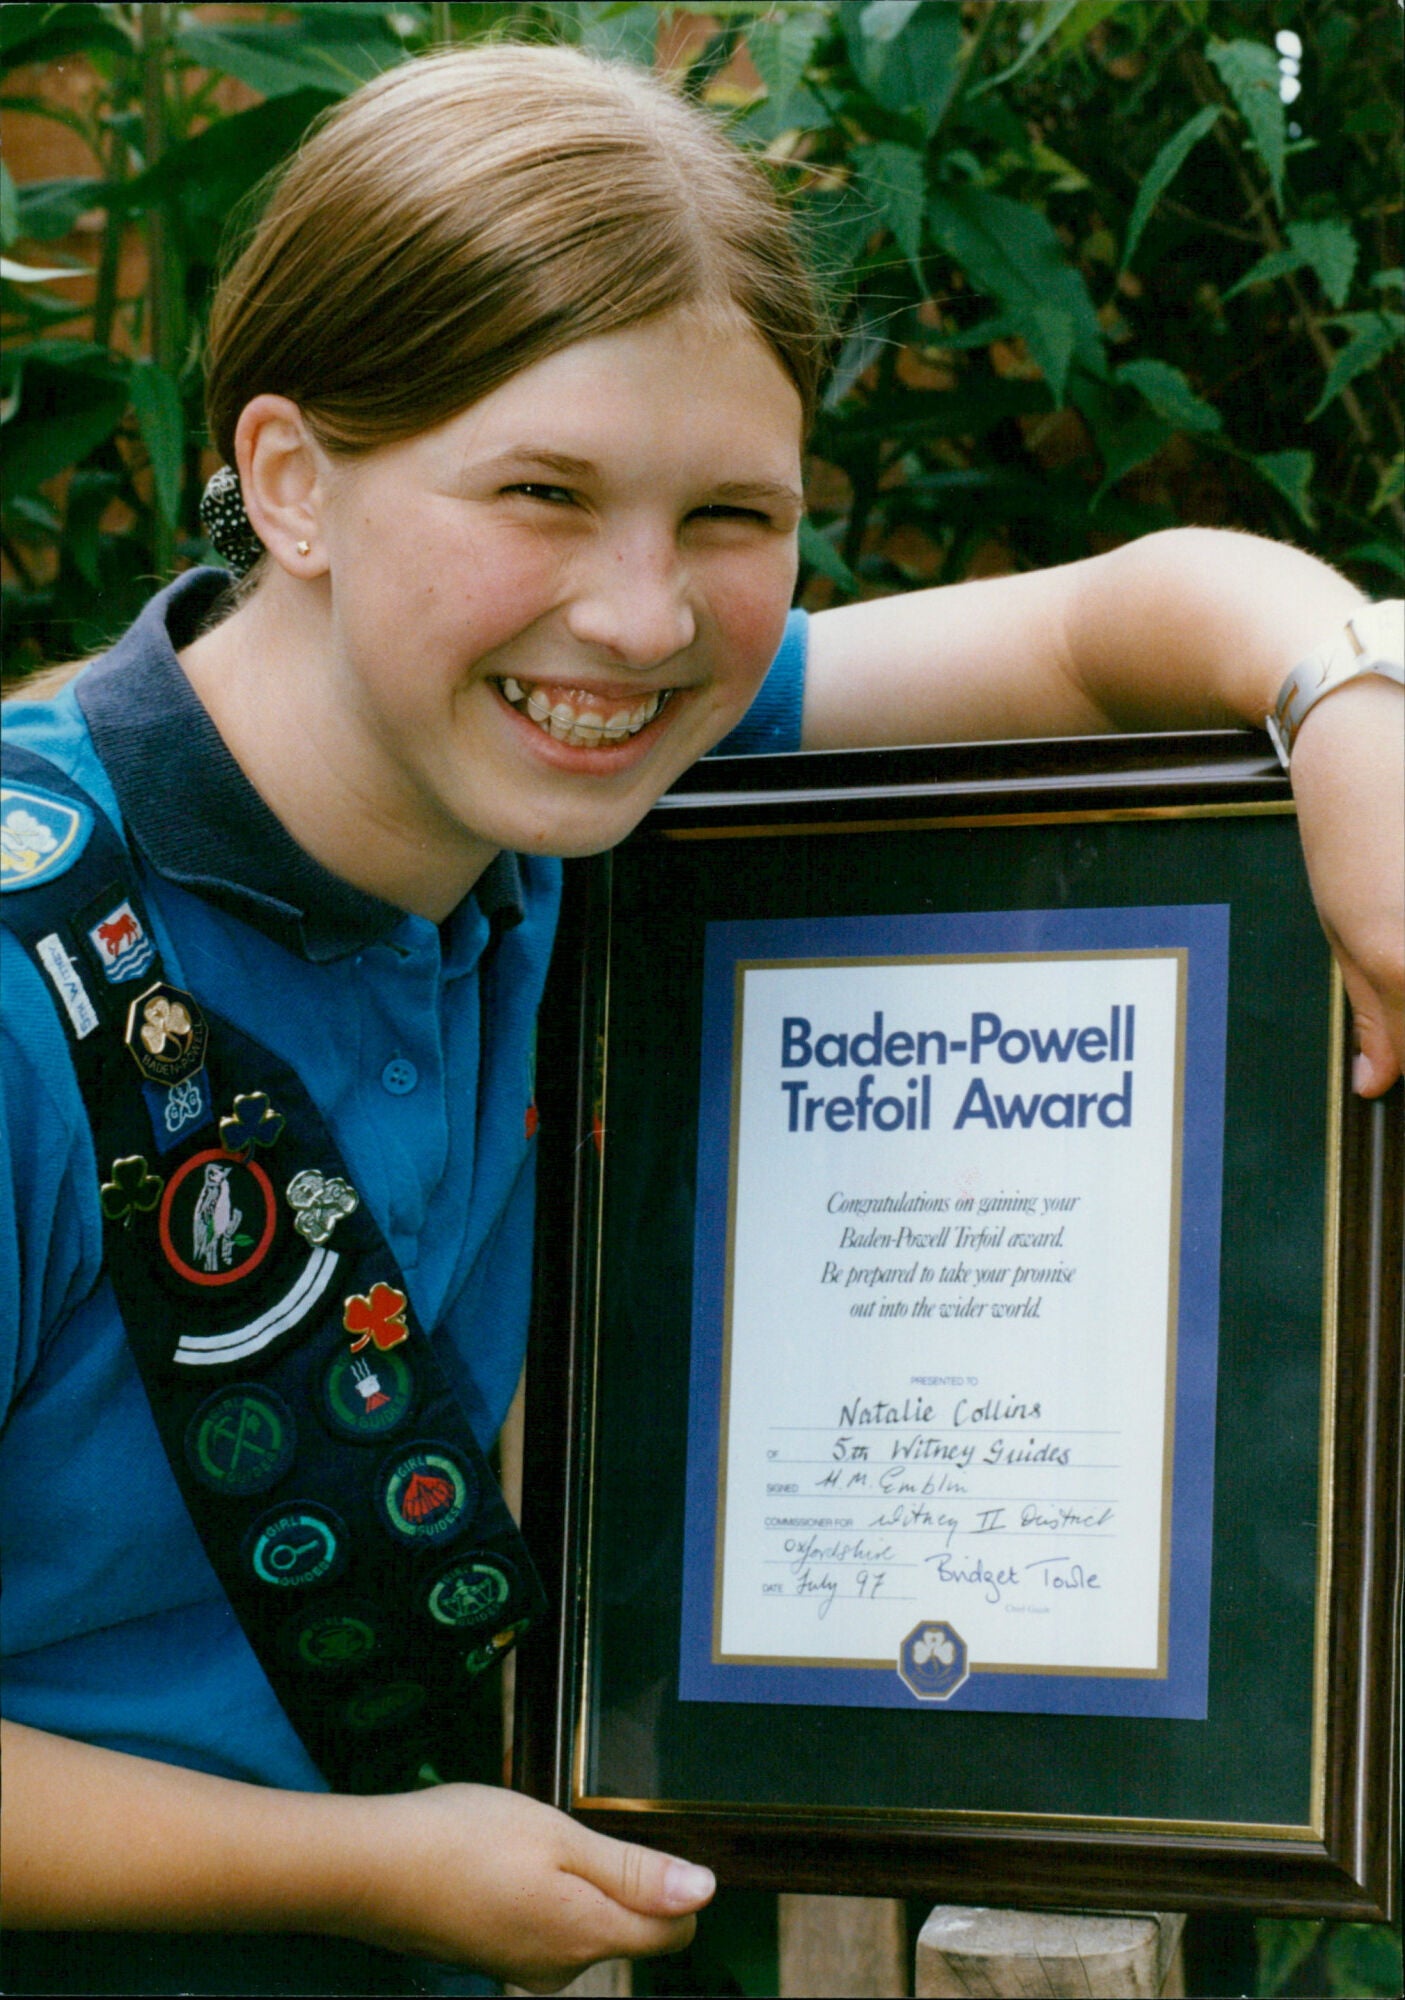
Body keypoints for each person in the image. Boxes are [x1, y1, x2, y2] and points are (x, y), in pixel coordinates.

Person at [1, 40, 1400, 2000]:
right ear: (292, 481)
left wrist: (1345, 702)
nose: (645, 616)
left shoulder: (542, 735)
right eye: (541, 491)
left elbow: (1118, 617)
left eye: (735, 515)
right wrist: (363, 1870)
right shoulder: (24, 960)